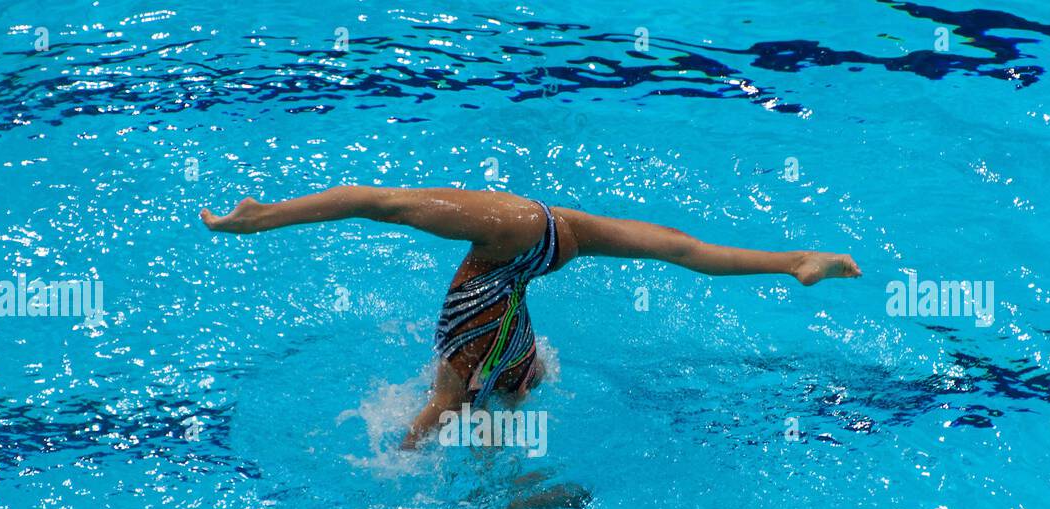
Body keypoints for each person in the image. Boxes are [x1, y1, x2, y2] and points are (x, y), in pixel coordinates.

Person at [201, 187, 860, 447]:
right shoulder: (486, 356)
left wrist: (260, 223)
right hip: (537, 246)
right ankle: (794, 260)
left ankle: (260, 216)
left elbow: (381, 205)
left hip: (526, 243)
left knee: (391, 210)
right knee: (676, 249)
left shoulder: (485, 356)